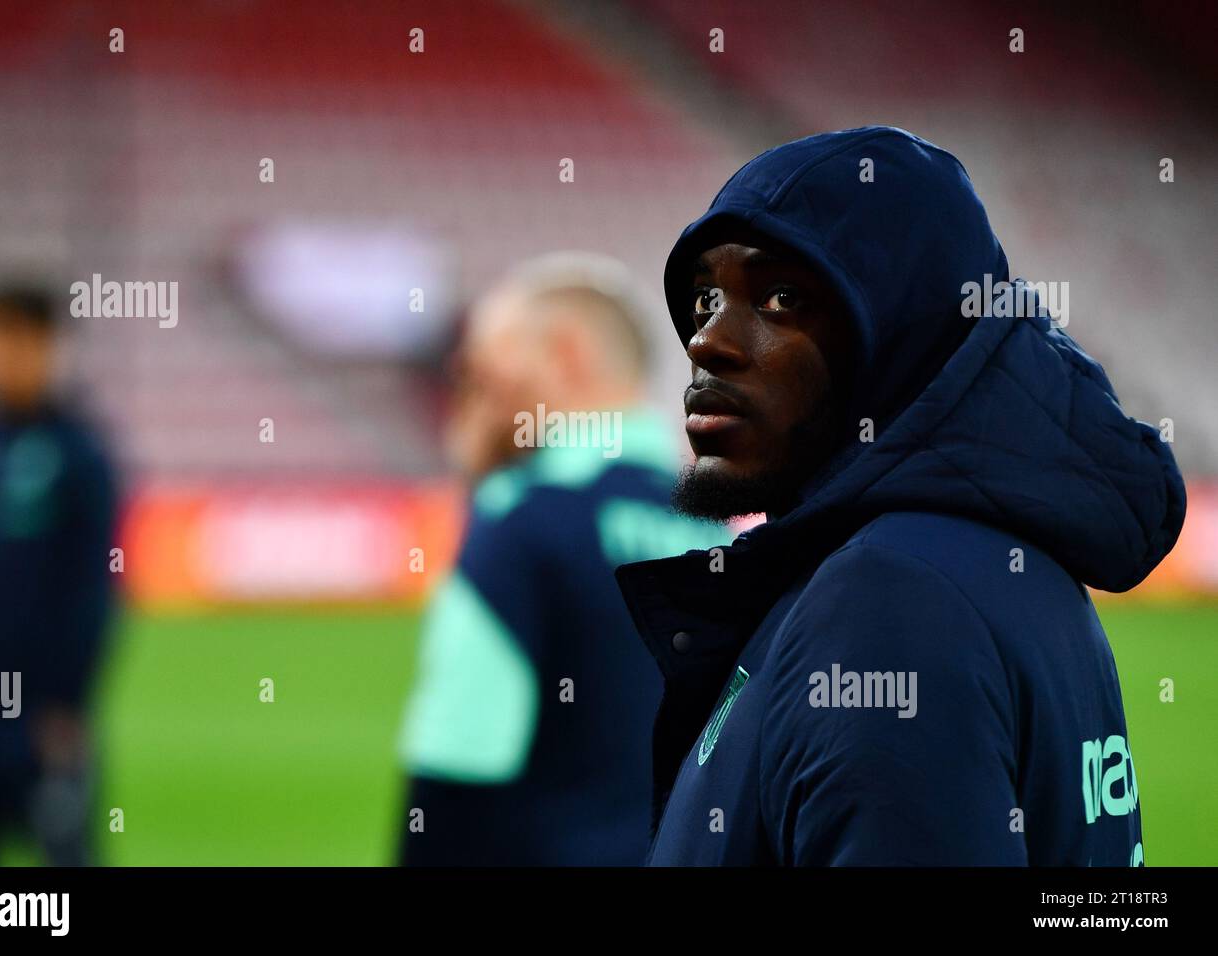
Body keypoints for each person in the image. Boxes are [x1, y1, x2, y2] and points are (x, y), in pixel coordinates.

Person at [614, 126, 1186, 865]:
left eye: (783, 297)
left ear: (902, 331)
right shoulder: (976, 562)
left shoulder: (891, 601)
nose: (706, 341)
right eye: (704, 298)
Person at [397, 253, 724, 865]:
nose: (470, 393)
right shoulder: (719, 532)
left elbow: (456, 769)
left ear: (567, 353)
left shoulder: (521, 520)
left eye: (483, 368)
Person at [0, 281, 118, 866]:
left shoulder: (80, 453)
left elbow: (94, 590)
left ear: (45, 345)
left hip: (34, 723)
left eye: (4, 334)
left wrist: (67, 704)